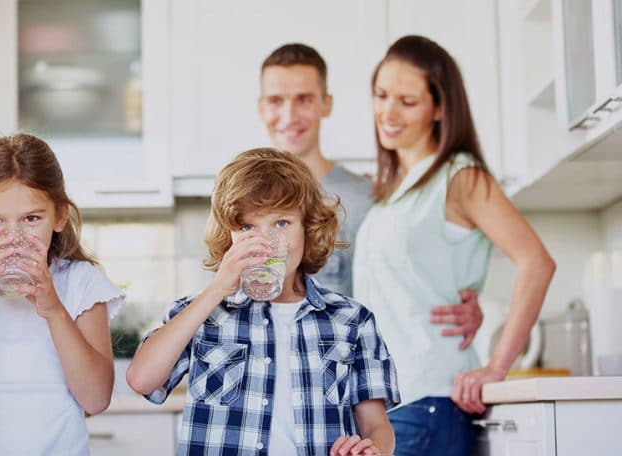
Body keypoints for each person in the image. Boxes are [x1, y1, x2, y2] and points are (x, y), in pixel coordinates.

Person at [352, 35, 556, 456]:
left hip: (427, 401)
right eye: (381, 95)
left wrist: (497, 366)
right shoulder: (397, 189)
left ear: (440, 107)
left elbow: (536, 262)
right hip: (389, 405)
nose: (387, 113)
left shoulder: (460, 176)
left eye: (407, 102)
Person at [127, 148, 400, 456]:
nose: (267, 242)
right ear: (228, 236)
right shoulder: (202, 313)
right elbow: (141, 380)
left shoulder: (351, 320)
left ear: (308, 227)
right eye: (247, 227)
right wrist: (216, 290)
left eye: (282, 223)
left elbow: (377, 426)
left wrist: (370, 450)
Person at [259, 43, 483, 350]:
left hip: (345, 379)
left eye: (304, 99)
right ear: (261, 107)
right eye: (276, 101)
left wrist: (467, 305)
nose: (289, 115)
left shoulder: (371, 198)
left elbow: (411, 280)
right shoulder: (241, 200)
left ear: (327, 104)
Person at [0, 133, 124, 454]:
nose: (14, 237)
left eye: (31, 219)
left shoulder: (81, 283)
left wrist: (54, 309)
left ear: (59, 216)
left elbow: (97, 399)